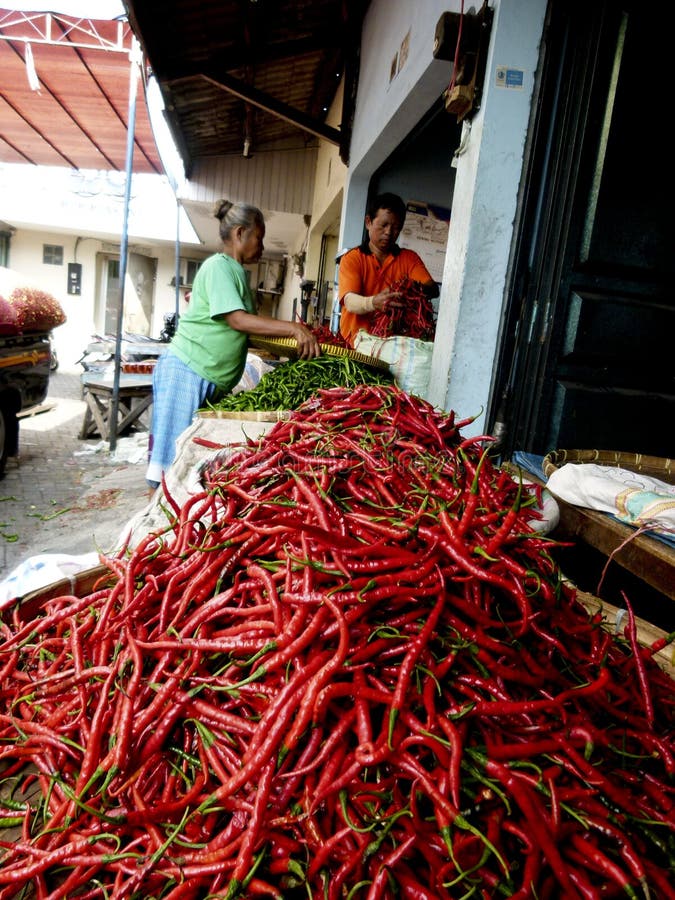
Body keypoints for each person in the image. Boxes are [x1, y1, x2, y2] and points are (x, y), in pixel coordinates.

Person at [146, 199, 321, 490]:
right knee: (169, 468)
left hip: (204, 375)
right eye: (259, 238)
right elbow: (238, 321)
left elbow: (249, 333)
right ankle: (152, 529)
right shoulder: (219, 267)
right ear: (240, 234)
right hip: (187, 371)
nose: (262, 246)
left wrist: (291, 346)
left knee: (185, 460)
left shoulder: (236, 272)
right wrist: (293, 327)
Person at [338, 192, 439, 347]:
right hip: (354, 347)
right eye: (383, 225)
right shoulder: (353, 258)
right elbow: (349, 301)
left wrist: (406, 291)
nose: (389, 232)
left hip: (392, 351)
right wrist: (373, 302)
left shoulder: (409, 259)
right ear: (368, 222)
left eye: (396, 227)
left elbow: (432, 289)